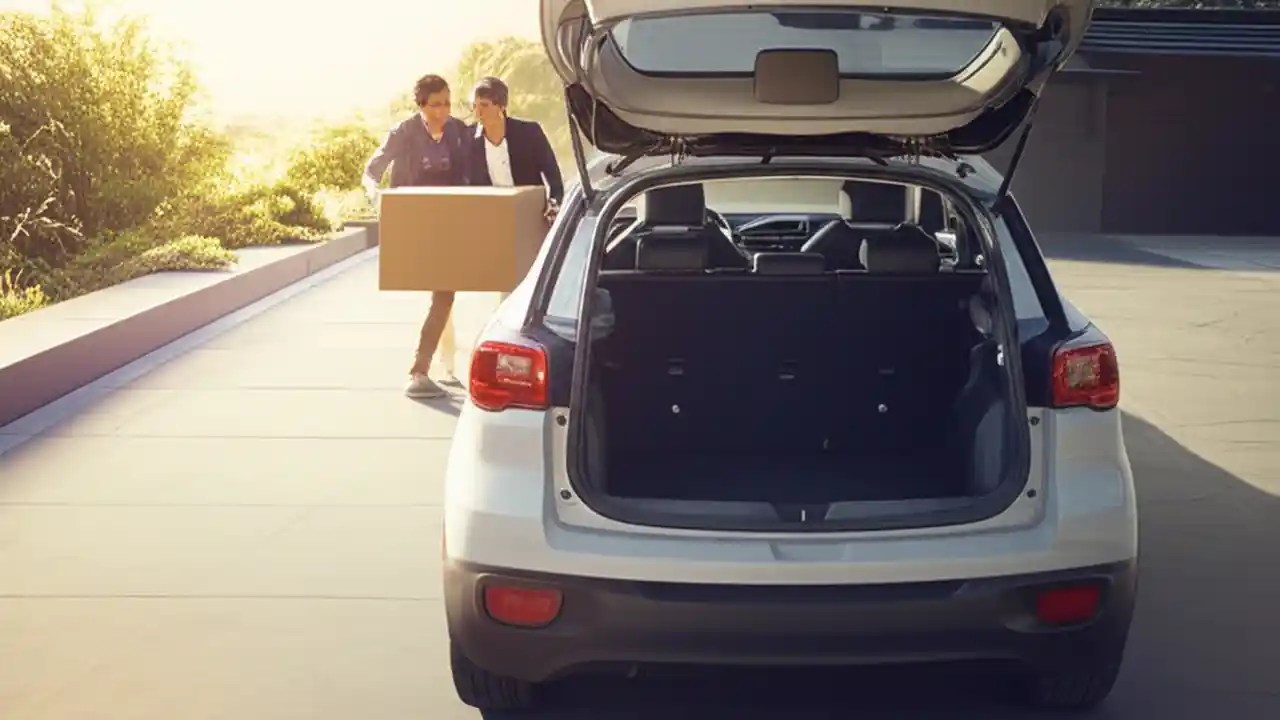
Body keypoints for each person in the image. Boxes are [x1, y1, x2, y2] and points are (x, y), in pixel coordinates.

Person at [364, 74, 470, 399]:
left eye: (447, 103)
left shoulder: (458, 131)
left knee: (445, 294)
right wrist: (375, 195)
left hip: (449, 223)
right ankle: (431, 366)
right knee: (443, 295)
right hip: (415, 224)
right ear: (421, 105)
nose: (442, 111)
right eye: (435, 104)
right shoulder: (405, 132)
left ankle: (424, 369)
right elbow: (373, 169)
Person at [467, 76, 564, 220]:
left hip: (531, 214)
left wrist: (554, 204)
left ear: (501, 106)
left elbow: (553, 176)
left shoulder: (530, 133)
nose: (478, 112)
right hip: (490, 217)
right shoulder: (468, 140)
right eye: (475, 106)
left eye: (484, 105)